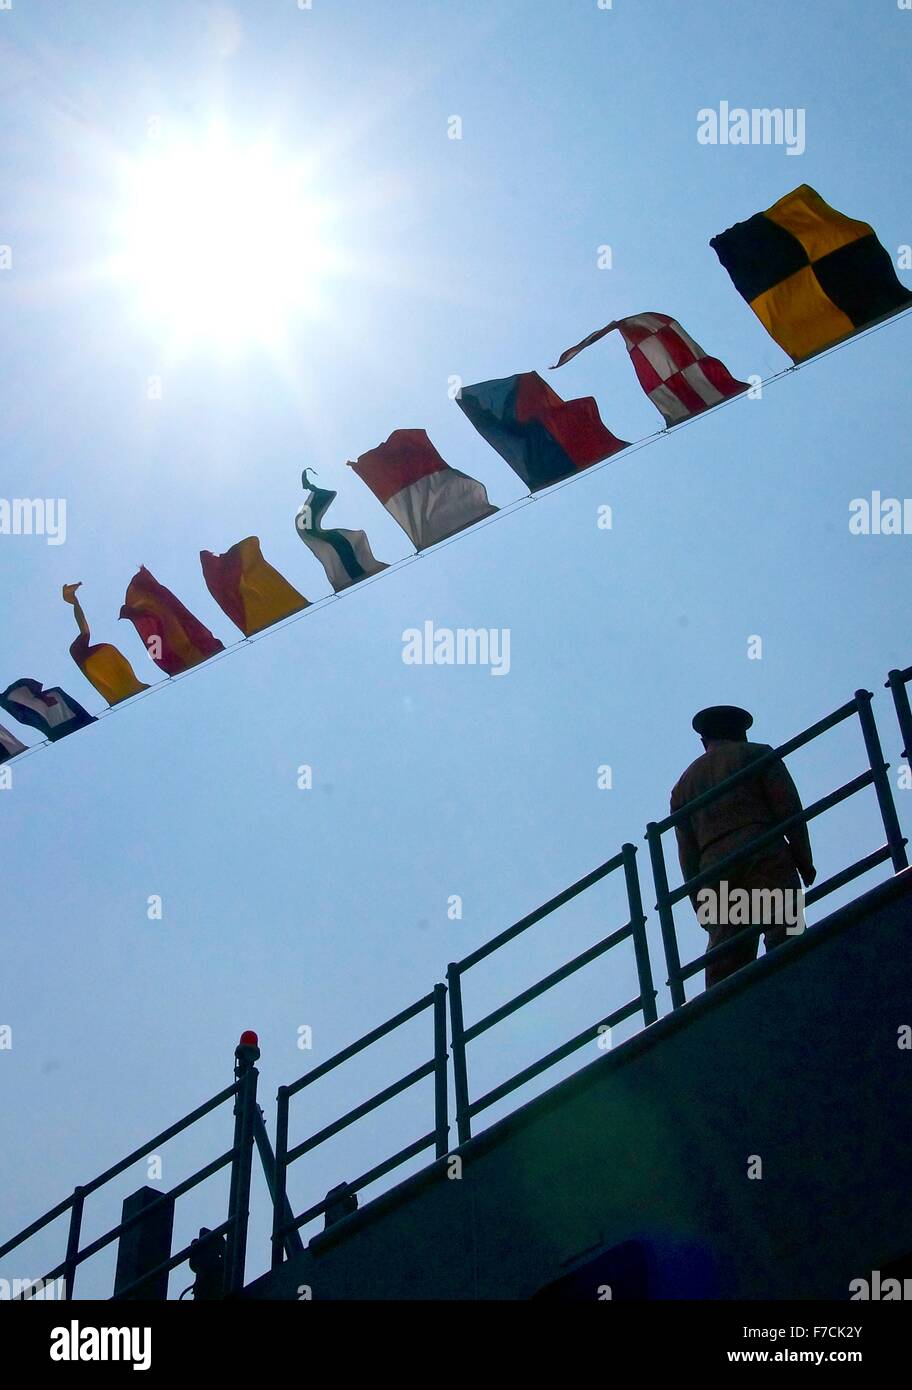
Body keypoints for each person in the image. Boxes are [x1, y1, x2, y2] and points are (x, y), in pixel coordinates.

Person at [670, 705, 816, 988]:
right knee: (784, 929)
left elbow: (686, 854)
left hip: (714, 866)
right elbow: (789, 810)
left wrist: (698, 901)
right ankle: (796, 986)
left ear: (704, 741)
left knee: (725, 952)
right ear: (741, 733)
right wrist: (803, 859)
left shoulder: (683, 786)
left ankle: (722, 1015)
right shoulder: (757, 754)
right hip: (762, 849)